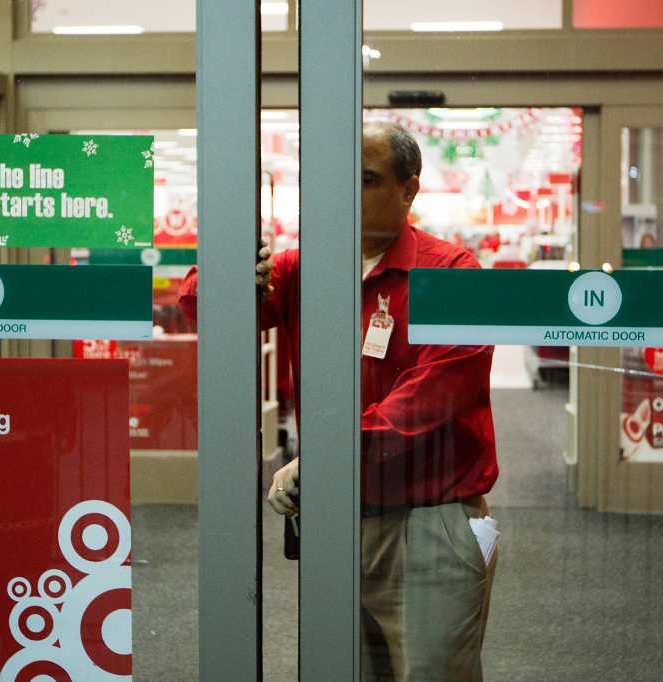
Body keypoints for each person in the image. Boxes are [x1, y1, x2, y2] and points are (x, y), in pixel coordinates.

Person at [178, 123, 499, 681]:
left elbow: (430, 399)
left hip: (428, 520)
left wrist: (327, 457)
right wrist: (229, 272)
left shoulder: (450, 271)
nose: (346, 191)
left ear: (409, 190)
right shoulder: (304, 268)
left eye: (367, 179)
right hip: (334, 515)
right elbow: (202, 307)